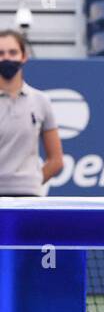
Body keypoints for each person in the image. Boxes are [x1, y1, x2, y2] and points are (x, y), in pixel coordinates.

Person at [0, 29, 63, 197]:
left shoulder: (41, 101)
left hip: (29, 200)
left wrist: (31, 184)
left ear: (23, 56)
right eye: (1, 53)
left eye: (13, 52)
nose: (6, 58)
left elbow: (56, 160)